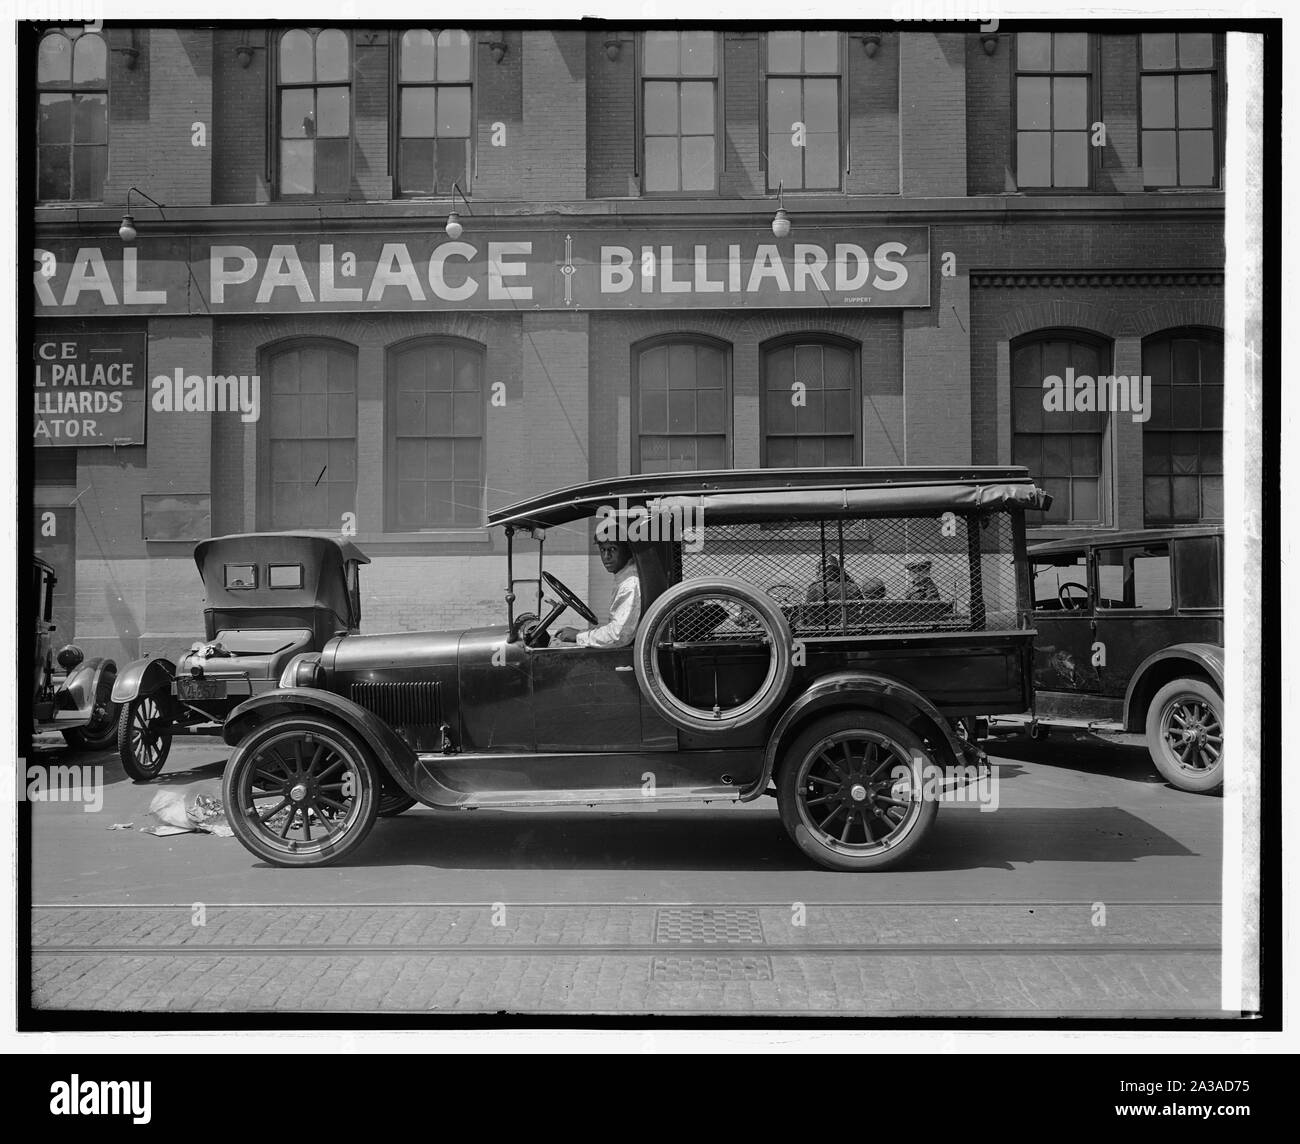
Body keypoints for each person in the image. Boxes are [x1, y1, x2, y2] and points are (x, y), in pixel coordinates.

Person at [555, 539, 641, 648]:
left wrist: (579, 635)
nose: (606, 556)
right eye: (602, 550)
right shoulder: (623, 577)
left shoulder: (630, 583)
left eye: (613, 549)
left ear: (627, 550)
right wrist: (582, 633)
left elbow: (618, 636)